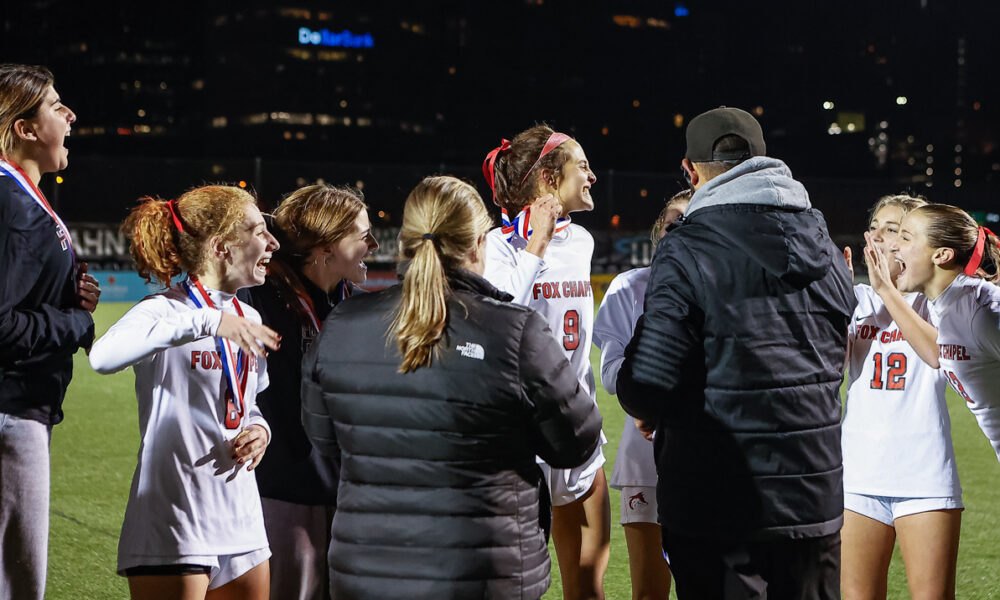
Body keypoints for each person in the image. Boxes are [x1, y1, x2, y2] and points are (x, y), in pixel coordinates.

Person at [300, 175, 602, 599]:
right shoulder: (513, 331)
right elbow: (576, 442)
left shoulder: (341, 326)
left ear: (404, 241)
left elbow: (325, 443)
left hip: (367, 572)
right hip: (484, 572)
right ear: (480, 242)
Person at [617, 106, 856, 599]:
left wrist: (647, 403)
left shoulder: (686, 247)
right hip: (812, 498)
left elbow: (648, 381)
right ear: (764, 160)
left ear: (691, 170)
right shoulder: (826, 245)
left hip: (717, 503)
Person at [89, 185, 281, 600]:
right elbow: (102, 358)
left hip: (241, 516)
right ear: (221, 247)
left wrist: (260, 429)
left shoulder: (248, 314)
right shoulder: (164, 311)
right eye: (258, 231)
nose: (273, 242)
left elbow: (247, 404)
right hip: (177, 516)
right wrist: (205, 322)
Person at [481, 125, 610, 600]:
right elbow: (498, 321)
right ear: (550, 179)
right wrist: (534, 244)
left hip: (579, 425)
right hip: (522, 436)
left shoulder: (582, 243)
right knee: (519, 583)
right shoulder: (495, 246)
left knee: (589, 580)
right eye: (582, 166)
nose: (592, 175)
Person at [238, 183, 377, 600]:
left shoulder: (356, 305)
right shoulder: (259, 303)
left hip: (349, 496)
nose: (373, 244)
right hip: (284, 494)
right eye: (362, 235)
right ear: (325, 248)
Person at [0, 63, 100, 600]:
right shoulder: (15, 204)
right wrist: (76, 321)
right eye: (56, 106)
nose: (70, 113)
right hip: (10, 415)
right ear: (25, 128)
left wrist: (65, 297)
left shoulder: (19, 199)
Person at [841, 195, 962, 600]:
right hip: (859, 474)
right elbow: (827, 367)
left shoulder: (939, 298)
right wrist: (832, 305)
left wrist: (887, 292)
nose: (878, 236)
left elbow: (937, 355)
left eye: (893, 229)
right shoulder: (858, 301)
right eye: (874, 226)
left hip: (923, 475)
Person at [593, 189, 690, 600]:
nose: (681, 230)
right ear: (658, 231)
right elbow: (612, 371)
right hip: (644, 457)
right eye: (673, 223)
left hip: (704, 455)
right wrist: (646, 402)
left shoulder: (726, 289)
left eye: (693, 221)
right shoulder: (628, 287)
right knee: (649, 589)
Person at [865, 202, 1000, 462]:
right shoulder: (944, 304)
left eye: (905, 237)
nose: (894, 246)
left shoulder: (981, 310)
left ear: (941, 255)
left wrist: (885, 289)